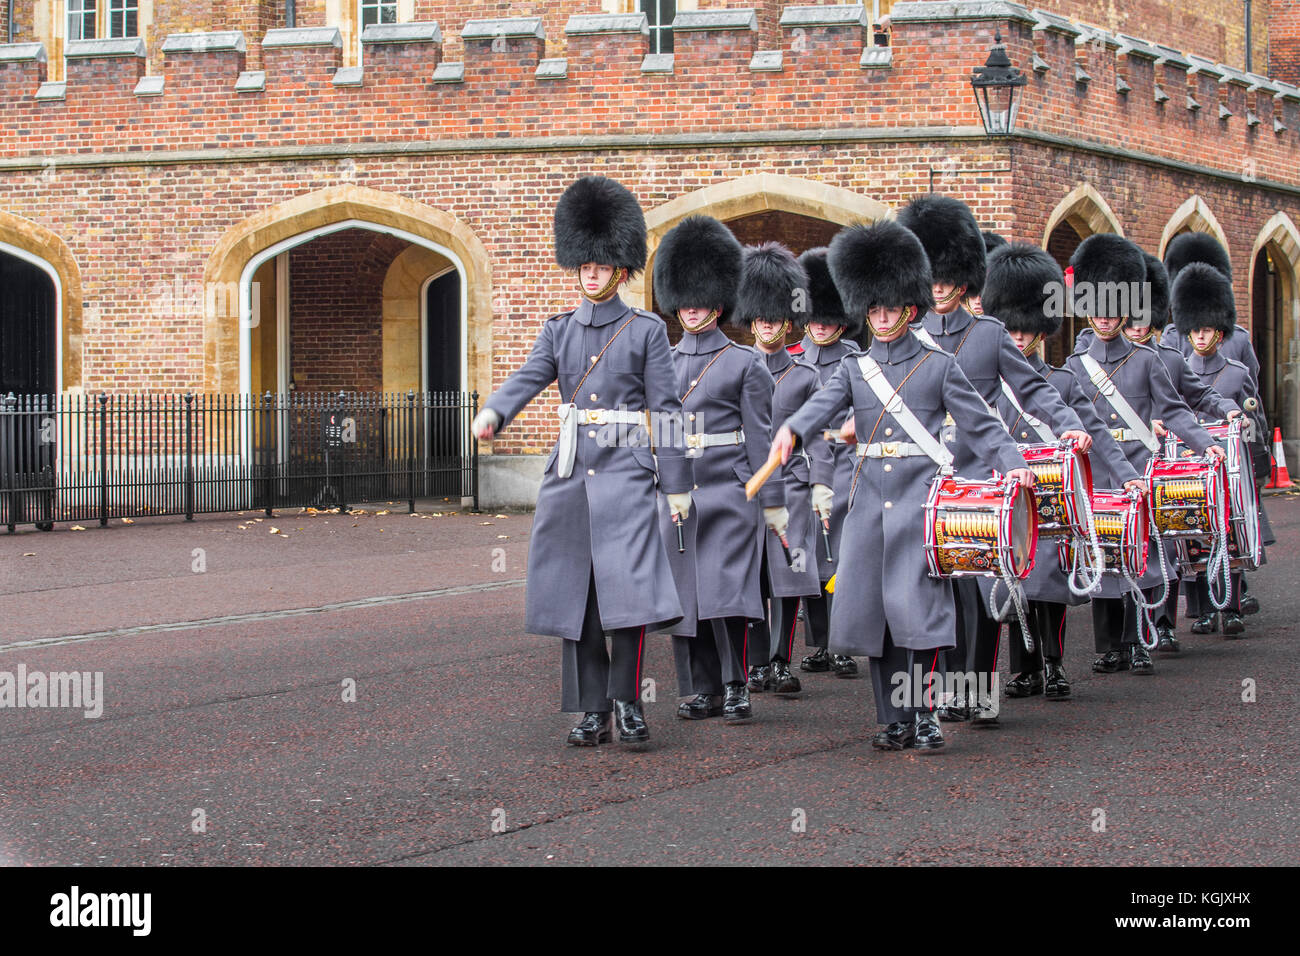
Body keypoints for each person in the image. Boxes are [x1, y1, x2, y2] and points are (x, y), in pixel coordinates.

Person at [771, 220, 1035, 752]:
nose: (883, 317)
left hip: (920, 504)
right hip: (868, 507)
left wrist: (1011, 463)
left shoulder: (937, 367)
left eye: (891, 308)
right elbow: (821, 407)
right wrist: (792, 430)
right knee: (877, 617)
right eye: (874, 309)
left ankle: (926, 713)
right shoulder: (855, 368)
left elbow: (983, 424)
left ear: (909, 309)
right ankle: (893, 718)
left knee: (921, 615)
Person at [471, 175, 693, 747]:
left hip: (626, 475)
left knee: (630, 598)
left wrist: (676, 486)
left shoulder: (645, 331)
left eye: (600, 266)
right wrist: (496, 411)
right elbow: (527, 378)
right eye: (584, 266)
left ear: (620, 270)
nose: (590, 274)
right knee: (581, 598)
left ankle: (628, 703)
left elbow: (666, 411)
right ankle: (592, 708)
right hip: (571, 478)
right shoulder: (558, 331)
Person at [897, 194, 1090, 726]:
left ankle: (976, 692)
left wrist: (1069, 424)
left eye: (946, 278)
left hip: (980, 475)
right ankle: (940, 692)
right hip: (927, 476)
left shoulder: (989, 335)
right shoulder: (906, 339)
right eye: (930, 277)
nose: (937, 287)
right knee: (937, 591)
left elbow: (1034, 390)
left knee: (979, 592)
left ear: (963, 282)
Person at [982, 243, 1144, 700]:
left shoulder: (1062, 381)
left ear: (1040, 332)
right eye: (1010, 330)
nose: (1016, 339)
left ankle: (1052, 665)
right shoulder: (984, 383)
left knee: (1048, 583)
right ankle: (1025, 669)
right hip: (1008, 489)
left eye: (1025, 331)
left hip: (1052, 492)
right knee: (1013, 579)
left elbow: (1095, 430)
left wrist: (1126, 472)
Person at [1063, 234, 1225, 676]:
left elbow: (1173, 409)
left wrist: (1204, 443)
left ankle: (1137, 640)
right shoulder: (1075, 366)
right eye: (1096, 306)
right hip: (1095, 468)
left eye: (1112, 308)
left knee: (1139, 554)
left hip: (1137, 464)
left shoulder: (1146, 360)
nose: (1104, 316)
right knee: (1101, 552)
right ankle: (1109, 644)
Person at [653, 215, 784, 724]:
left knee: (726, 593)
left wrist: (767, 500)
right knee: (686, 594)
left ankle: (737, 684)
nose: (692, 306)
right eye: (685, 297)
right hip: (680, 492)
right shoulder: (662, 360)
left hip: (730, 491)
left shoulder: (743, 362)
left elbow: (760, 437)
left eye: (701, 298)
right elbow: (662, 429)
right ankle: (701, 688)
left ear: (718, 301)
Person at [736, 242, 832, 697]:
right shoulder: (736, 367)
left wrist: (821, 485)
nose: (768, 323)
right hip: (751, 487)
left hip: (792, 487)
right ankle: (754, 662)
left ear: (786, 321)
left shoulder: (806, 375)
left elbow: (819, 436)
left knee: (789, 578)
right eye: (761, 316)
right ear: (752, 319)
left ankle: (778, 660)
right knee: (753, 577)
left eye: (775, 316)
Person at [1170, 262, 1268, 637]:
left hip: (1227, 465)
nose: (1198, 335)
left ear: (1219, 331)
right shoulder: (1177, 370)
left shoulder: (1236, 372)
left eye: (1206, 329)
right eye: (1194, 329)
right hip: (1193, 465)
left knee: (1230, 530)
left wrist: (1246, 427)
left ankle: (1231, 606)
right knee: (1196, 532)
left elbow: (1253, 411)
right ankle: (1206, 609)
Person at [789, 247, 861, 678]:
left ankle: (844, 641)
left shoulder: (856, 358)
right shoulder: (796, 355)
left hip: (848, 463)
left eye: (828, 318)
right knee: (812, 555)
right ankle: (820, 643)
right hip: (808, 465)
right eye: (815, 317)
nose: (820, 325)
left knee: (843, 556)